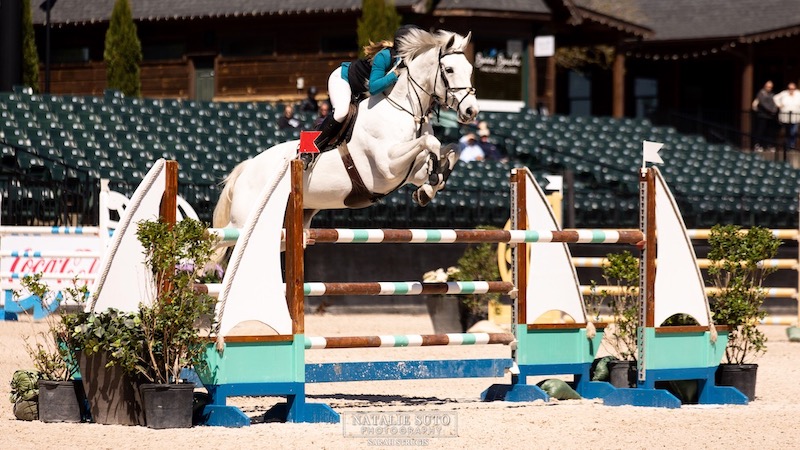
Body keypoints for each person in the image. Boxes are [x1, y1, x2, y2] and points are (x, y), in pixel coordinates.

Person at [301, 24, 420, 167]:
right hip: (343, 79)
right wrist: (394, 75)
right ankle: (307, 149)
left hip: (360, 92)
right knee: (341, 112)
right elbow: (374, 87)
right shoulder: (384, 56)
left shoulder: (404, 61)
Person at [774, 82, 800, 151]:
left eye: (793, 88)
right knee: (787, 132)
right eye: (790, 88)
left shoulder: (798, 94)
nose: (791, 90)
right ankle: (788, 146)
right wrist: (779, 105)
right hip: (785, 117)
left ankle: (792, 145)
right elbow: (775, 98)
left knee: (793, 132)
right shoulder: (784, 93)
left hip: (795, 117)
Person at [752, 80, 778, 151]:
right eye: (767, 87)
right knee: (761, 130)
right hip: (762, 116)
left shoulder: (772, 94)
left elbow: (774, 103)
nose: (769, 88)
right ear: (764, 86)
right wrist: (771, 110)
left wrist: (774, 110)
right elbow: (763, 104)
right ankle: (757, 145)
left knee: (769, 131)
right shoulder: (761, 93)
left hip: (770, 117)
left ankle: (769, 145)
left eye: (770, 87)